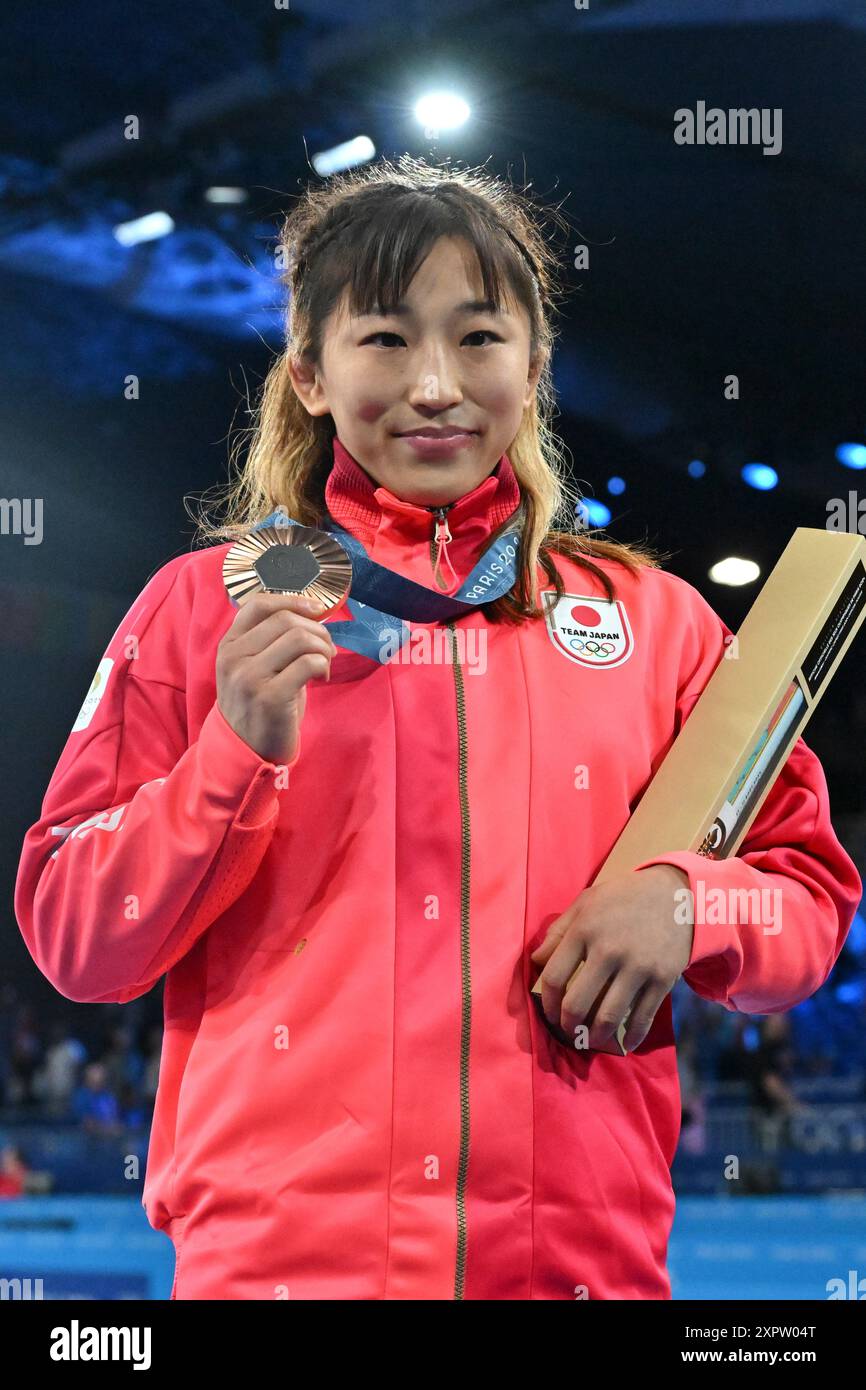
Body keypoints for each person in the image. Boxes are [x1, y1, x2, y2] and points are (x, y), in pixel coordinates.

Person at [14, 155, 862, 1300]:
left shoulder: (656, 628)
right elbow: (76, 937)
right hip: (280, 1280)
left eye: (475, 337)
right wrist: (230, 754)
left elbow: (803, 895)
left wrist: (686, 899)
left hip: (576, 1277)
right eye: (381, 339)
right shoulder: (198, 608)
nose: (432, 384)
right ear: (309, 372)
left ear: (533, 365)